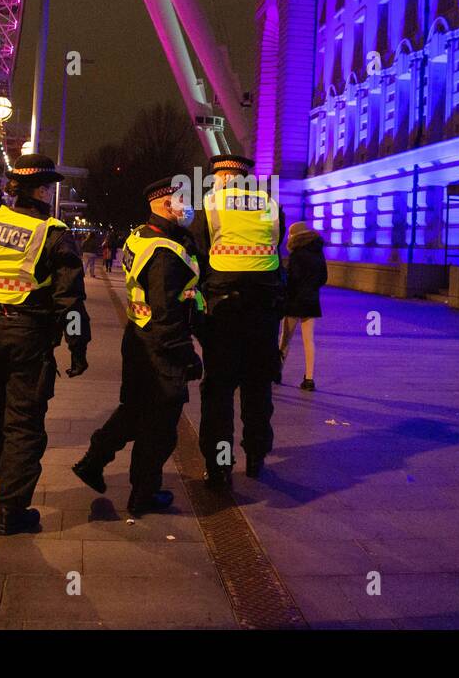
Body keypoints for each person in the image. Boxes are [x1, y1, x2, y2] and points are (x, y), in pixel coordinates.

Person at [0, 154, 90, 535]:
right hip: (27, 334)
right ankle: (12, 511)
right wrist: (78, 344)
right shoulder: (53, 233)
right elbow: (70, 298)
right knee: (23, 421)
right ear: (43, 190)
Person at [73, 177, 204, 514]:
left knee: (134, 409)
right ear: (164, 204)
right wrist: (186, 355)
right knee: (161, 426)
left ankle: (94, 459)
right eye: (182, 200)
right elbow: (166, 311)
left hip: (137, 336)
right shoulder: (164, 252)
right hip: (161, 345)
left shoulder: (141, 236)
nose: (188, 207)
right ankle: (143, 494)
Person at [190, 154, 285, 485]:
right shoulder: (269, 204)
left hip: (224, 314)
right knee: (257, 388)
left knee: (218, 392)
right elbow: (276, 247)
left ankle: (219, 466)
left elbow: (198, 255)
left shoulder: (213, 204)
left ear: (223, 177)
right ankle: (256, 455)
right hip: (263, 313)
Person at [277, 221, 327, 391]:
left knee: (285, 340)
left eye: (290, 234)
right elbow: (323, 278)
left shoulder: (296, 254)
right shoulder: (318, 253)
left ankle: (276, 373)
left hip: (294, 301)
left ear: (296, 236)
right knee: (309, 341)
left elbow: (291, 280)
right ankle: (309, 379)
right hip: (311, 301)